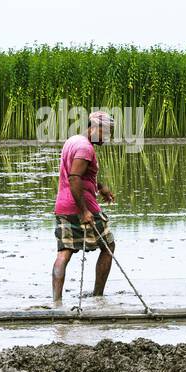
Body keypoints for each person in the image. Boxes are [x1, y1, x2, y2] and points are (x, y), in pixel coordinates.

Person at [51, 111, 117, 303]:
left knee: (65, 251)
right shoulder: (86, 149)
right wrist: (84, 211)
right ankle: (98, 296)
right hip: (82, 206)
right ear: (95, 128)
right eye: (107, 132)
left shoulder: (73, 141)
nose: (108, 137)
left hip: (64, 205)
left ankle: (57, 301)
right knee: (108, 246)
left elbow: (79, 176)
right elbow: (74, 178)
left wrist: (100, 187)